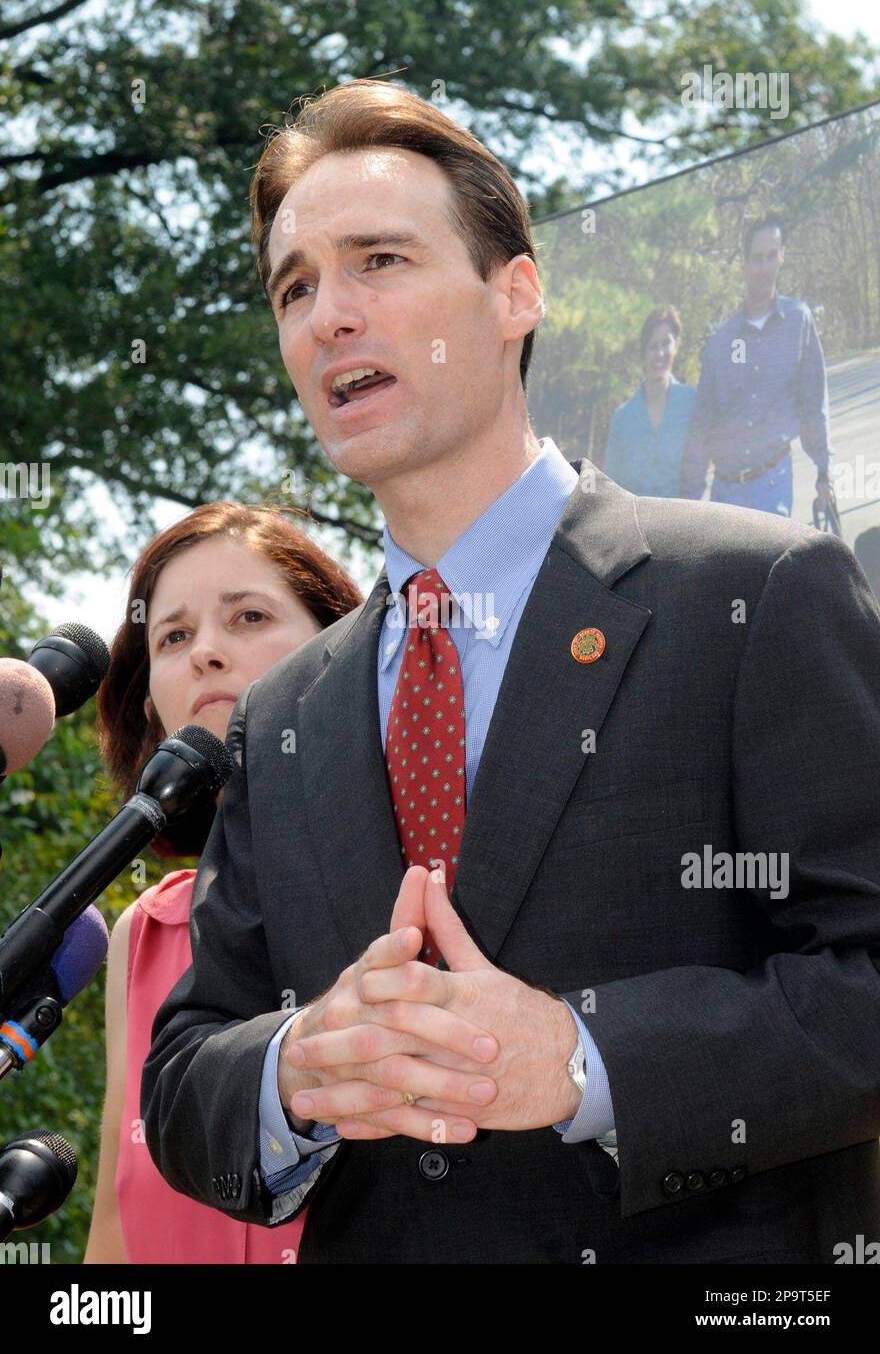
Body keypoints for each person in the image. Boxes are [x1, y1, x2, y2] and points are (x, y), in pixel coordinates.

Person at [142, 79, 880, 1264]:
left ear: (514, 293)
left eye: (377, 260)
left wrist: (584, 1060)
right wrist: (300, 1065)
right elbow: (183, 1074)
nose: (329, 314)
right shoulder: (281, 713)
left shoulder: (754, 591)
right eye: (295, 288)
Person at [83, 502, 362, 1263]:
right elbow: (116, 1224)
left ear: (347, 646)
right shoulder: (142, 932)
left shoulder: (420, 878)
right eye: (173, 636)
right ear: (150, 705)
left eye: (247, 616)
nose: (206, 651)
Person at [680, 215, 835, 517]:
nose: (764, 268)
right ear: (745, 264)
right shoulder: (719, 343)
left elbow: (813, 404)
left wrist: (824, 471)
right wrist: (689, 497)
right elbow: (701, 424)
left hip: (772, 480)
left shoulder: (798, 321)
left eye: (771, 257)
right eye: (756, 259)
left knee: (771, 563)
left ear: (782, 257)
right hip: (725, 491)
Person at [603, 305, 696, 496]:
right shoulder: (622, 419)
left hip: (681, 521)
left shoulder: (692, 403)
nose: (659, 353)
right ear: (643, 353)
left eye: (665, 344)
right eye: (653, 346)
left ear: (676, 346)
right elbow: (610, 486)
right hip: (634, 523)